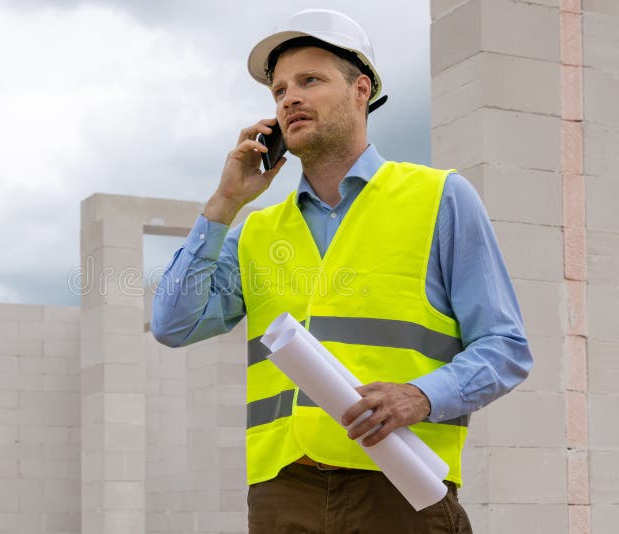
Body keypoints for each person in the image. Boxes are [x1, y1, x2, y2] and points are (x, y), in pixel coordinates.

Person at [151, 8, 532, 533]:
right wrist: (224, 201)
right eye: (279, 90)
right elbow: (173, 324)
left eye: (310, 80)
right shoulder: (255, 231)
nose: (290, 99)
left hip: (398, 482)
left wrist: (421, 396)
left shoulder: (439, 198)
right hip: (283, 494)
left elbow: (506, 347)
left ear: (361, 89)